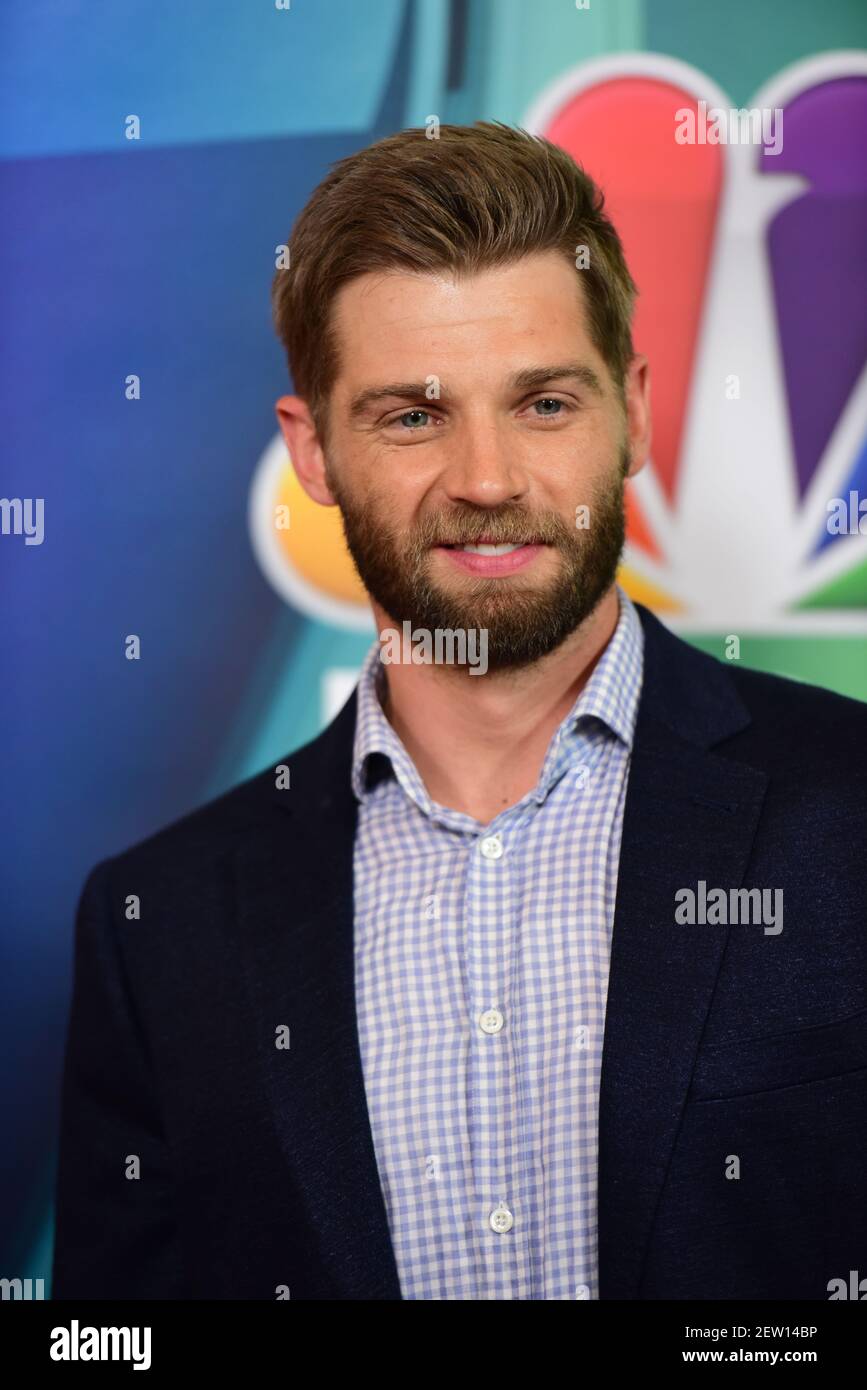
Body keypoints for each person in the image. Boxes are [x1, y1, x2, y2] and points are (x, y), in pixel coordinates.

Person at [52, 122, 867, 1301]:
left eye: (544, 403)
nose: (487, 480)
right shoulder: (156, 928)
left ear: (634, 413)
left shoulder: (850, 812)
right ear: (314, 452)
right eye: (413, 416)